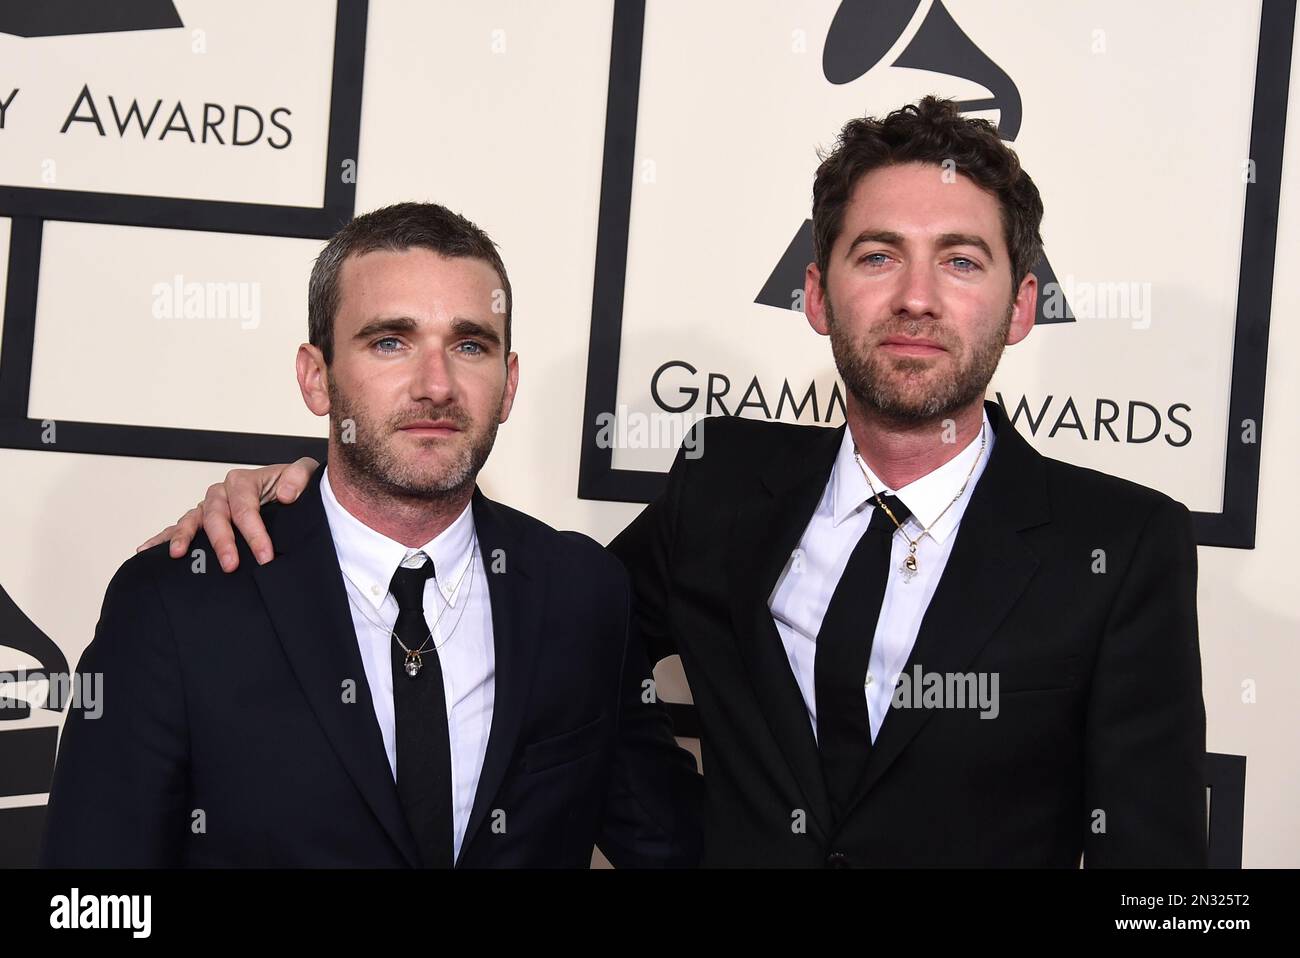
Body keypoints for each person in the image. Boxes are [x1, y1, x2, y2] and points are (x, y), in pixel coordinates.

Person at [140, 98, 1207, 867]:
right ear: (816, 296)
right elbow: (537, 627)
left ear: (1022, 306)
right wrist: (310, 495)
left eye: (961, 261)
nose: (917, 297)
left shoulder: (1118, 546)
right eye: (877, 256)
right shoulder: (728, 484)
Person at [42, 203, 701, 868]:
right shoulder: (175, 605)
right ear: (316, 376)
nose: (436, 385)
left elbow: (671, 844)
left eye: (470, 345)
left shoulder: (580, 595)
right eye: (390, 342)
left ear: (507, 386)